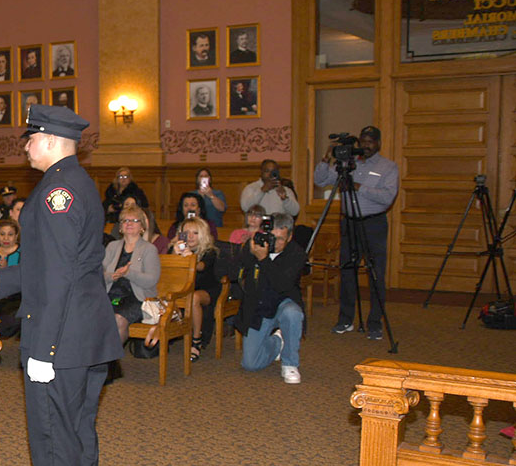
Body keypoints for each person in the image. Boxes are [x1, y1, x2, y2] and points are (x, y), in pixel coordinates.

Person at [0, 104, 121, 466]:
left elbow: (58, 276)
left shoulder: (55, 192)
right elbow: (47, 268)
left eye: (30, 138)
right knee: (78, 432)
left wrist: (45, 349)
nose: (25, 146)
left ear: (51, 140)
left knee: (53, 434)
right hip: (85, 333)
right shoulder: (75, 182)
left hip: (62, 339)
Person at [313, 125, 399, 340]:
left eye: (371, 141)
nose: (366, 145)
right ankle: (345, 319)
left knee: (375, 273)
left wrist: (360, 187)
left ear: (378, 143)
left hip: (373, 224)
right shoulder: (347, 163)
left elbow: (387, 197)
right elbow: (320, 180)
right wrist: (326, 157)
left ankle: (375, 323)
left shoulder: (388, 167)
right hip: (349, 224)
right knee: (347, 271)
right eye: (363, 140)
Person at [235, 212, 305, 383]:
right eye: (272, 237)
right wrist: (249, 252)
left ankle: (290, 363)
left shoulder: (297, 253)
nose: (275, 242)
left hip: (283, 302)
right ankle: (278, 342)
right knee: (250, 364)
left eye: (280, 238)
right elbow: (238, 270)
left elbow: (283, 285)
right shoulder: (256, 246)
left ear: (289, 237)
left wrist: (264, 260)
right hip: (259, 307)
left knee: (293, 313)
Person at [103, 208, 161, 350]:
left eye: (135, 220)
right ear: (121, 226)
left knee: (118, 319)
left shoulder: (149, 249)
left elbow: (151, 280)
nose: (129, 223)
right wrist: (111, 276)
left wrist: (129, 273)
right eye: (125, 220)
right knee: (88, 315)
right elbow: (98, 274)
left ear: (142, 227)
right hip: (110, 295)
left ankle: (110, 361)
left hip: (137, 299)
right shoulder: (112, 246)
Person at [168, 217, 220, 362]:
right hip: (183, 289)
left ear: (202, 235)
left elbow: (201, 267)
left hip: (206, 289)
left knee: (194, 298)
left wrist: (191, 258)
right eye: (187, 233)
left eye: (195, 233)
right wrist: (175, 254)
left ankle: (196, 340)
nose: (190, 236)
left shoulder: (210, 251)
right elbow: (168, 270)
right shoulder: (176, 248)